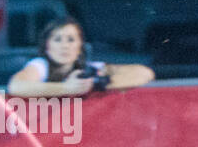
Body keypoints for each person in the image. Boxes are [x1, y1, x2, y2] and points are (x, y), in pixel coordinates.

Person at [8, 16, 154, 97]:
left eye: (71, 40)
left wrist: (97, 84)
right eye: (57, 40)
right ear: (47, 46)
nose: (64, 46)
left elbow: (145, 73)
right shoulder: (40, 65)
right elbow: (16, 86)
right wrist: (67, 88)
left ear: (80, 47)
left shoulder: (90, 69)